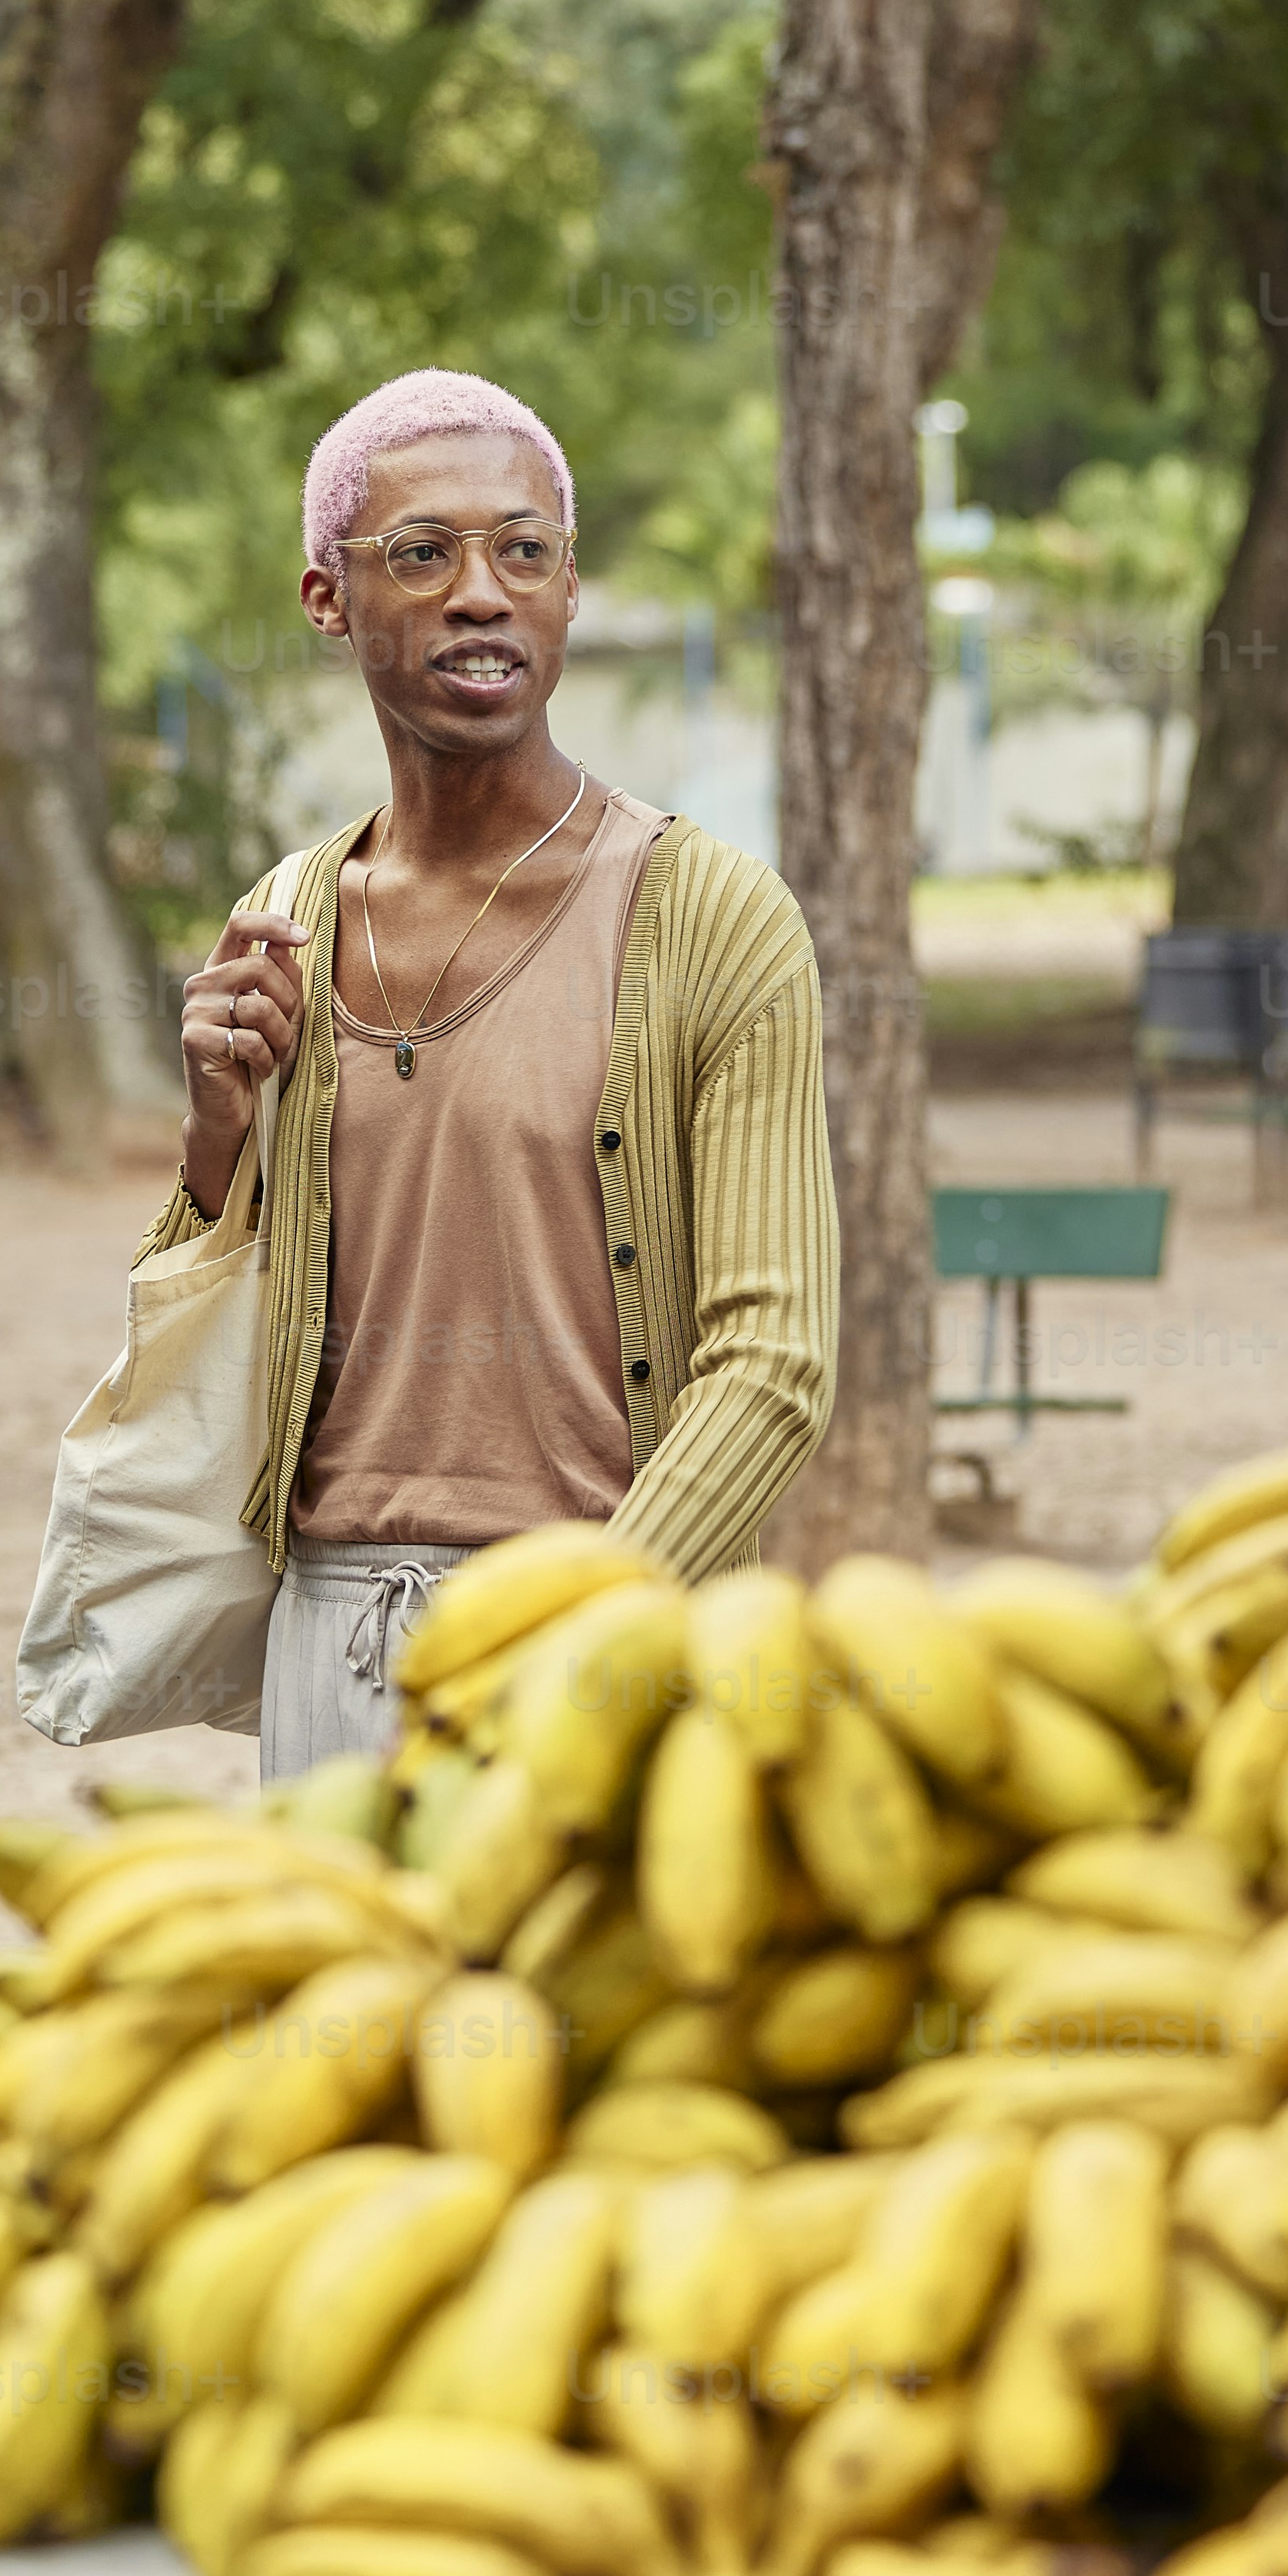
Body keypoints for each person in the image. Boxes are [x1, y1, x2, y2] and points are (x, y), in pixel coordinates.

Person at [150, 364, 836, 1776]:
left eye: (524, 550)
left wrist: (593, 1631)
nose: (481, 592)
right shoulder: (286, 912)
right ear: (328, 600)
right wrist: (215, 1143)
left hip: (615, 1631)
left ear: (568, 594)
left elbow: (772, 1362)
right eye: (423, 553)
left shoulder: (710, 917)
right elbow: (207, 1342)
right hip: (331, 1634)